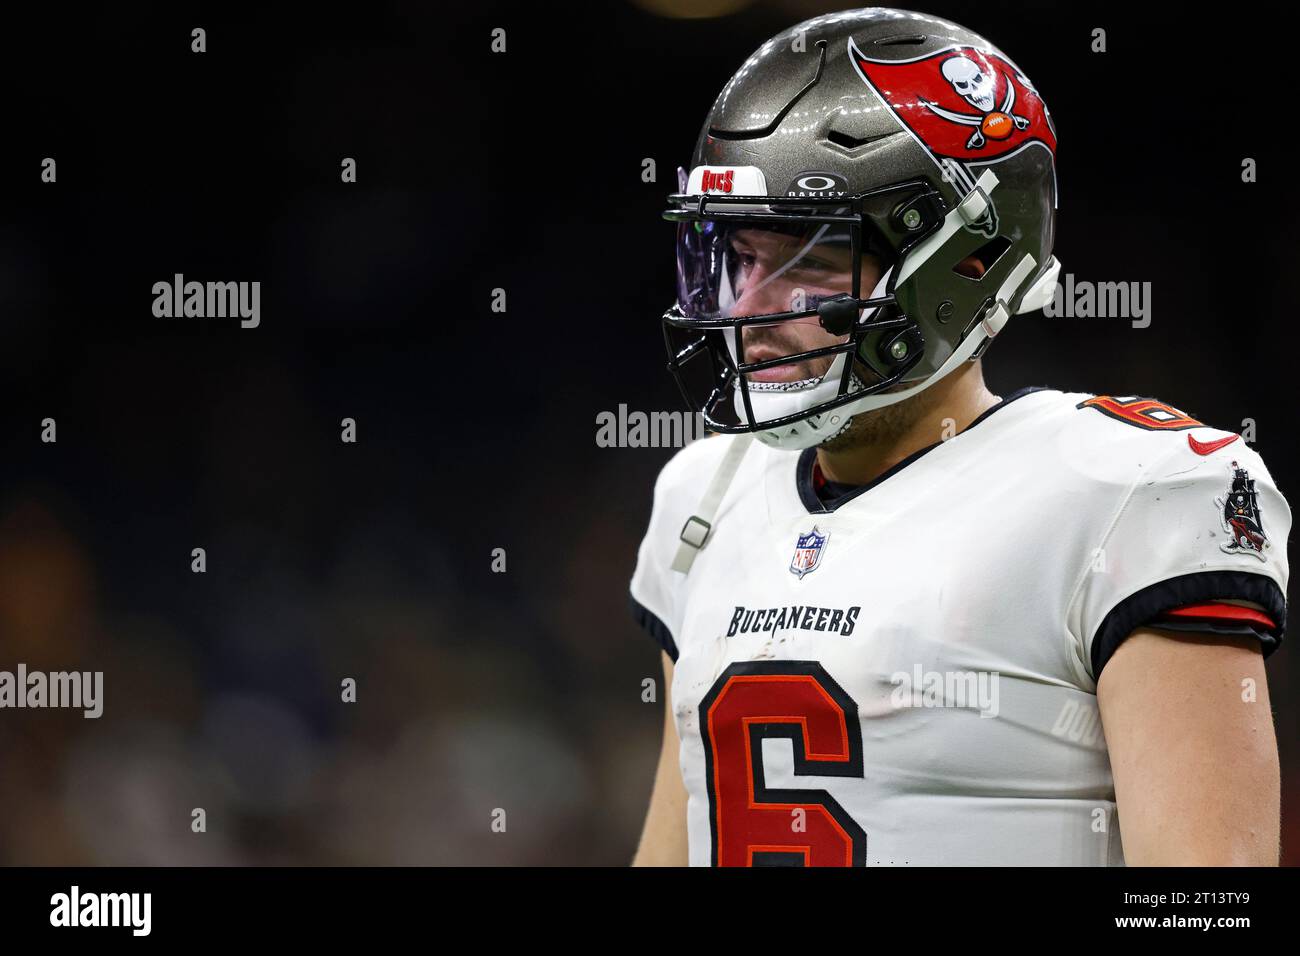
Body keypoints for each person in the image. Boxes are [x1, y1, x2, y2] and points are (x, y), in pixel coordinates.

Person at [629, 8, 1289, 866]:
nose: (747, 308)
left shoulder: (1129, 491)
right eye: (739, 257)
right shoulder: (704, 492)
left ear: (970, 258)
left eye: (812, 259)